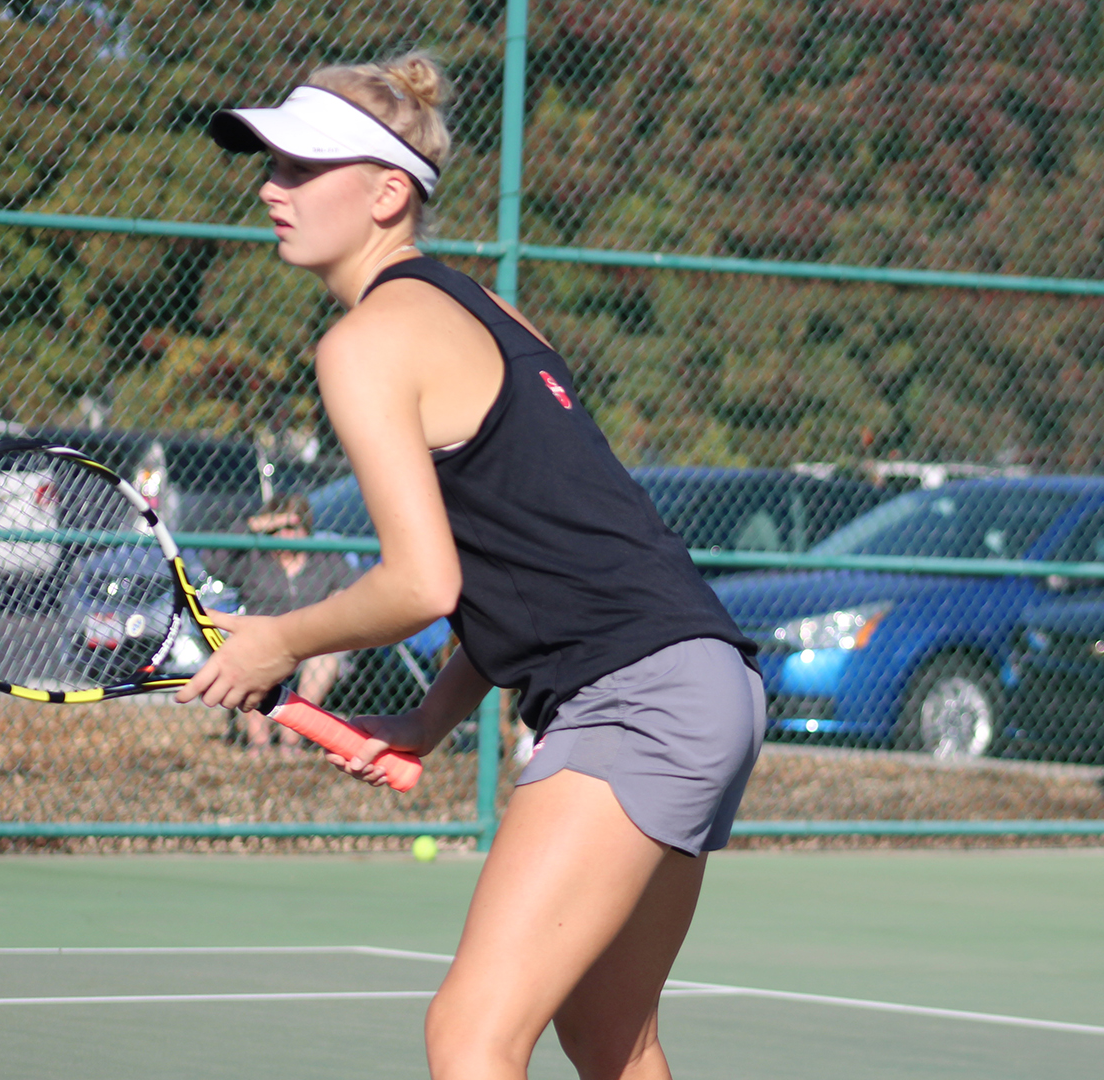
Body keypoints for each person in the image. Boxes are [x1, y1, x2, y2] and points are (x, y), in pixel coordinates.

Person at [183, 52, 765, 1079]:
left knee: (471, 1037)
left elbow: (422, 585)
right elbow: (524, 560)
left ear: (386, 192)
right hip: (705, 677)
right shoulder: (491, 311)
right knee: (609, 1038)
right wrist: (424, 721)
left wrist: (278, 636)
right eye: (268, 164)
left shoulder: (365, 346)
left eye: (301, 167)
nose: (271, 188)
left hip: (636, 697)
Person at [204, 494, 359, 753]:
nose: (285, 536)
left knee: (326, 659)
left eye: (292, 528)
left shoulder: (325, 559)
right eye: (276, 529)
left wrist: (340, 598)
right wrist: (255, 524)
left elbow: (356, 588)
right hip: (264, 639)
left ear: (306, 530)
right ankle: (259, 742)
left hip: (312, 642)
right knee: (244, 654)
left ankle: (292, 736)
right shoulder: (255, 559)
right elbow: (212, 560)